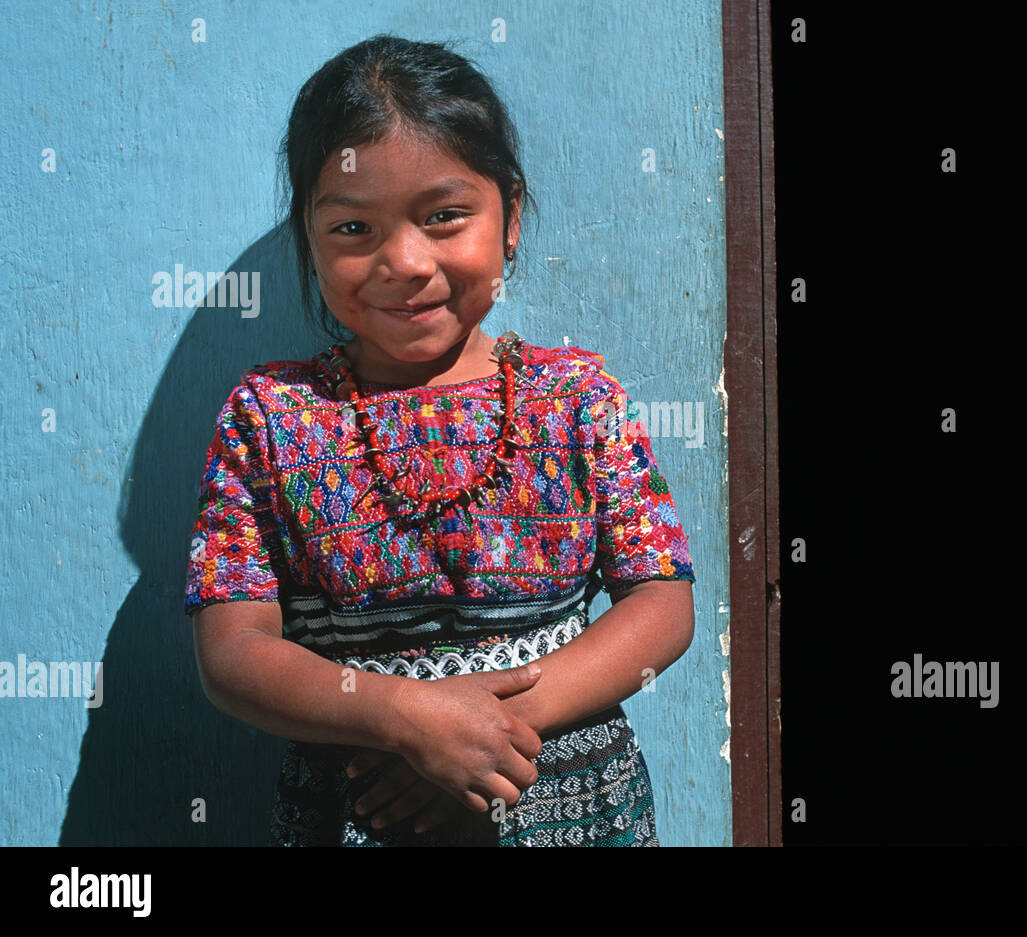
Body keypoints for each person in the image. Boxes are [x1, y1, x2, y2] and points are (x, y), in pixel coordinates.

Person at [183, 34, 696, 846]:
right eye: (354, 227)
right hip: (360, 813)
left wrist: (482, 730)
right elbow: (234, 651)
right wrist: (405, 720)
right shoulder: (271, 419)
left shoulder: (575, 399)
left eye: (445, 216)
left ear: (512, 215)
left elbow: (662, 603)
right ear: (310, 243)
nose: (405, 261)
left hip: (575, 803)